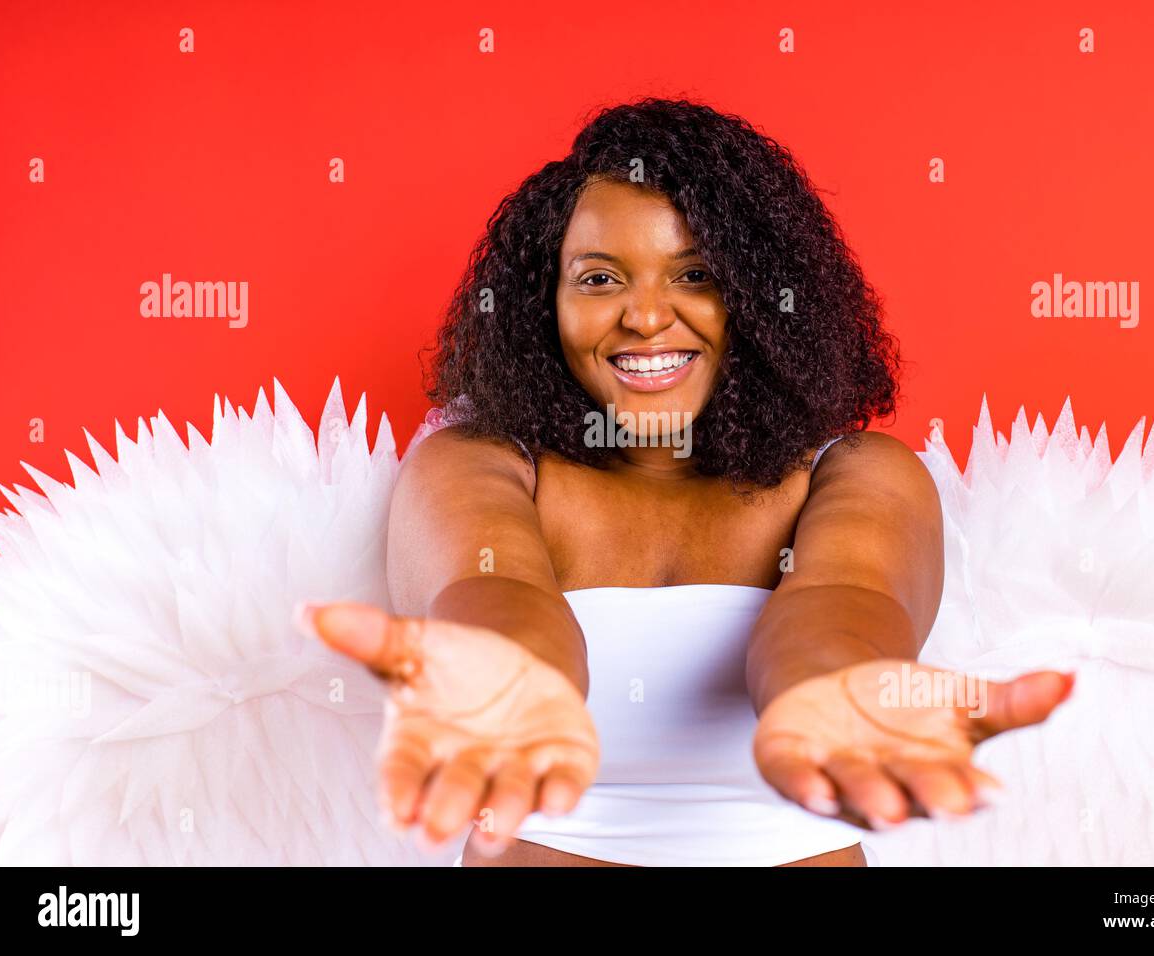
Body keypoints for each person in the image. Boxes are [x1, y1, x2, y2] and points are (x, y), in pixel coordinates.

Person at [301, 97, 1074, 867]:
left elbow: (843, 604)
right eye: (600, 278)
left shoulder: (854, 472)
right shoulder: (480, 464)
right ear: (547, 304)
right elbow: (494, 596)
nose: (644, 317)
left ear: (760, 299)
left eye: (695, 274)